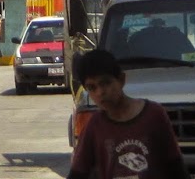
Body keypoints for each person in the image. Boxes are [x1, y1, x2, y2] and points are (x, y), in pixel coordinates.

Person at [68, 49, 188, 179]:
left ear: (121, 80)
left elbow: (176, 167)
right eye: (92, 87)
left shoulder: (154, 115)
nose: (100, 92)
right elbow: (78, 173)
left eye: (106, 83)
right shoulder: (95, 126)